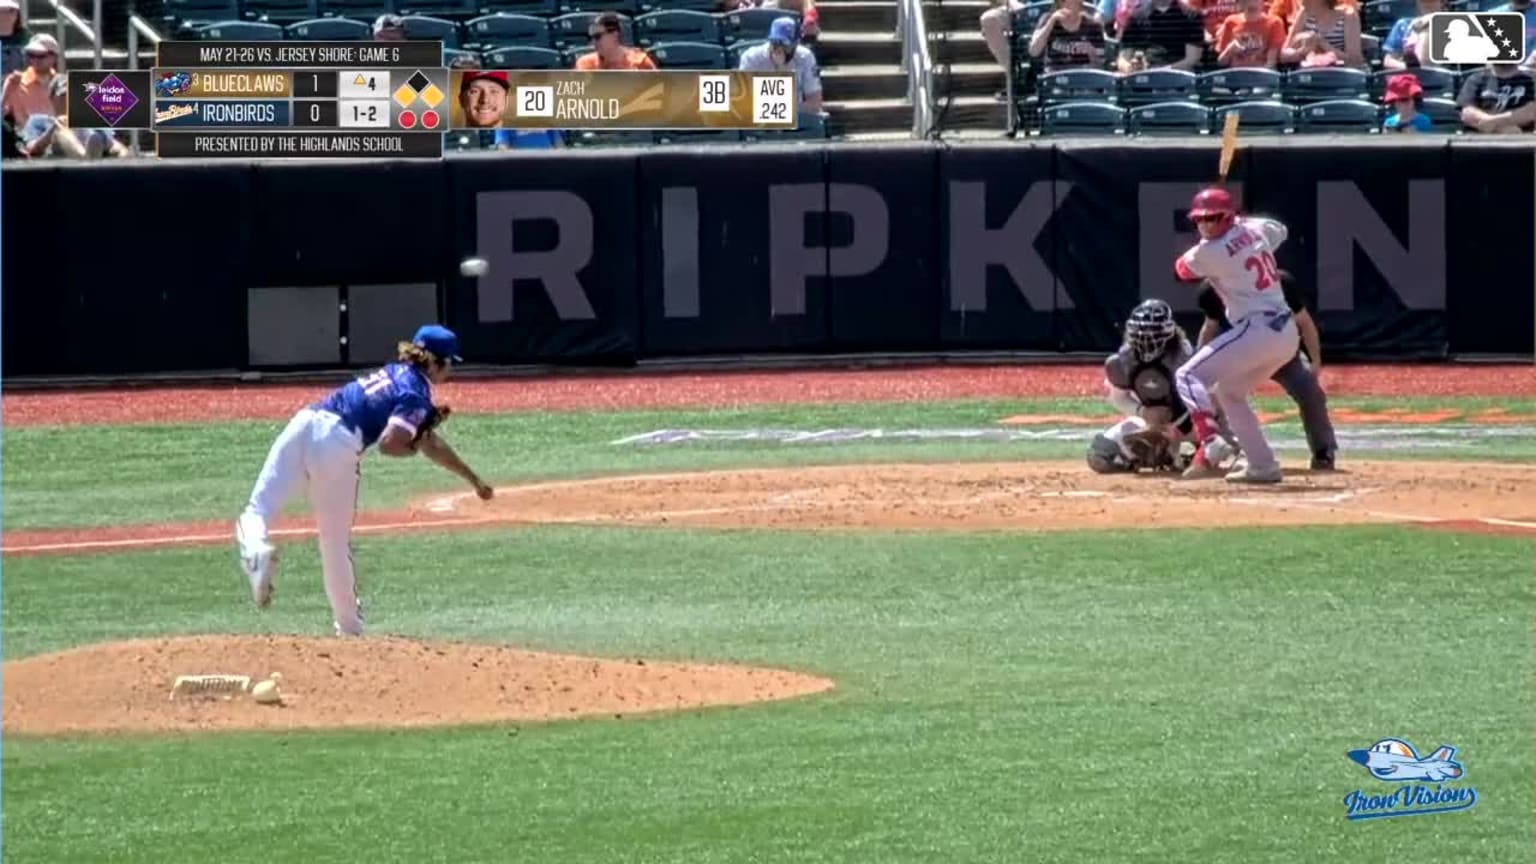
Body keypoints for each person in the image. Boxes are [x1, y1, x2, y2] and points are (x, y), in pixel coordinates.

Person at [235, 325, 495, 636]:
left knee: (258, 509)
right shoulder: (416, 394)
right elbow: (389, 443)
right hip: (338, 445)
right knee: (334, 543)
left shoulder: (394, 371)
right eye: (450, 362)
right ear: (436, 362)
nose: (451, 369)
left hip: (305, 422)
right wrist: (412, 445)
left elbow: (428, 440)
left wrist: (471, 477)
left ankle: (254, 549)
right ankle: (349, 628)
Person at [1172, 187, 1300, 484]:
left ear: (1228, 216)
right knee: (1230, 393)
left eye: (1213, 218)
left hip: (1257, 329)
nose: (1205, 226)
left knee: (1187, 376)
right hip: (1285, 335)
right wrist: (1241, 228)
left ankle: (1210, 439)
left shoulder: (1209, 252)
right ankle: (1263, 465)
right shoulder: (1257, 228)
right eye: (1200, 220)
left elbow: (1180, 271)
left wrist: (1213, 241)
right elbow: (1280, 230)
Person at [1197, 272, 1338, 471]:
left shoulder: (1277, 282)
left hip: (1280, 352)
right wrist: (1202, 365)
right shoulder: (1212, 288)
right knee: (1220, 393)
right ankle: (1231, 448)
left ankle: (1323, 451)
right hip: (1241, 354)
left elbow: (1304, 322)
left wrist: (1315, 361)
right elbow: (1209, 327)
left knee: (1309, 390)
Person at [1087, 299, 1240, 474]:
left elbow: (1211, 398)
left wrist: (1177, 430)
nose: (1147, 340)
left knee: (1231, 450)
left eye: (1152, 333)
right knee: (1100, 455)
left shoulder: (1184, 357)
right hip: (1152, 423)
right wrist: (1143, 413)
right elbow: (1117, 397)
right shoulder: (1122, 361)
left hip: (1192, 423)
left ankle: (1188, 452)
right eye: (1142, 333)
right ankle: (1162, 456)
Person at [737, 16, 824, 115]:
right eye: (775, 42)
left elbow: (815, 101)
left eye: (785, 45)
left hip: (796, 120)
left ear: (795, 44)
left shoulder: (805, 57)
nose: (778, 48)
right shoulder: (751, 58)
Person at [1027, 0, 1107, 72]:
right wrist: (1051, 23)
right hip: (1054, 76)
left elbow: (1100, 66)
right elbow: (1033, 51)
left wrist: (1091, 52)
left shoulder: (1093, 26)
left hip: (1083, 78)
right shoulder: (1047, 19)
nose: (1062, 3)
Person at [1457, 61, 1536, 132]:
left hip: (1524, 142)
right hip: (1480, 142)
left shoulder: (1532, 80)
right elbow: (1467, 114)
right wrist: (1502, 128)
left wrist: (1489, 123)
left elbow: (1531, 111)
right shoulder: (1476, 79)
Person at [1216, 0, 1287, 68]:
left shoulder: (1274, 23)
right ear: (1241, 3)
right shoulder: (1230, 22)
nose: (1252, 3)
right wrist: (1230, 49)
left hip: (1262, 74)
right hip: (1236, 74)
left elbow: (1271, 63)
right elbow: (1221, 62)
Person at [576, 12, 658, 70]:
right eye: (591, 38)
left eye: (598, 37)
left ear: (614, 34)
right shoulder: (585, 65)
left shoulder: (640, 62)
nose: (593, 43)